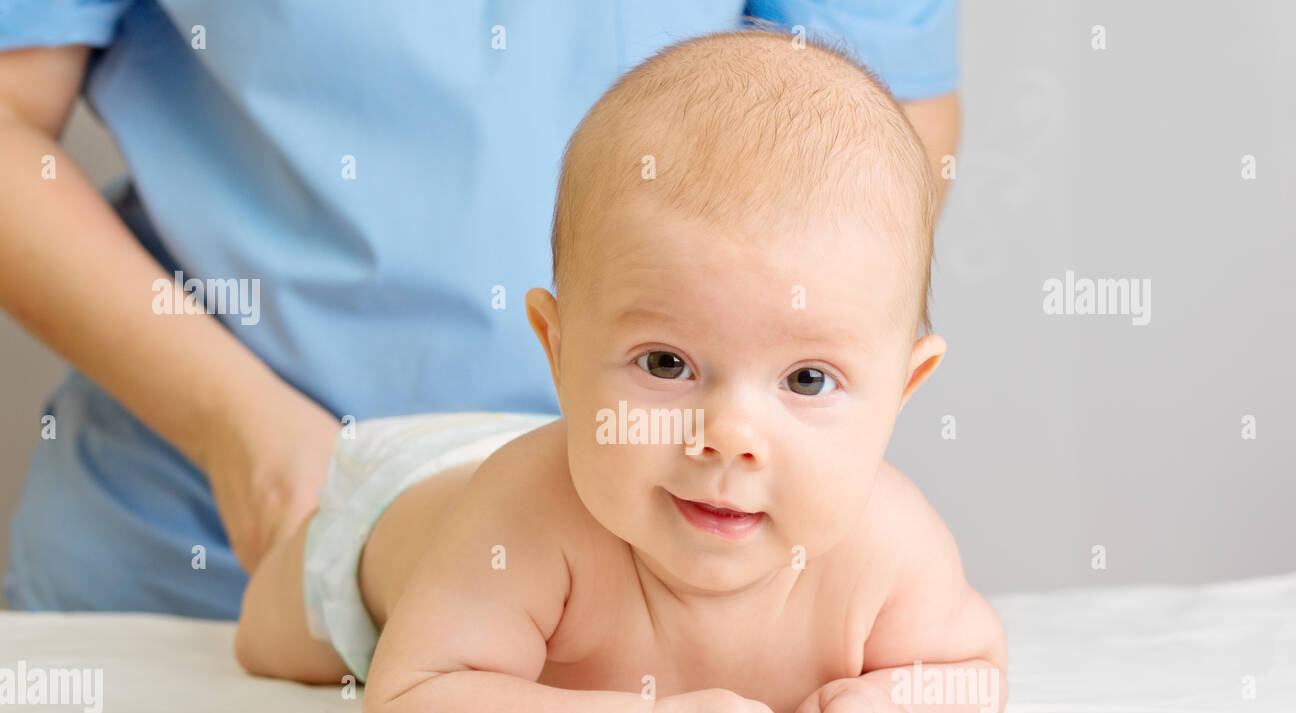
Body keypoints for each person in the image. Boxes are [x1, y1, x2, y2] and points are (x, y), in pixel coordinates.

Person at [0, 0, 959, 619]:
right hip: (196, 541)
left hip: (663, 563)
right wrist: (246, 442)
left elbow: (869, 155)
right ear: (550, 336)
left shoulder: (898, 564)